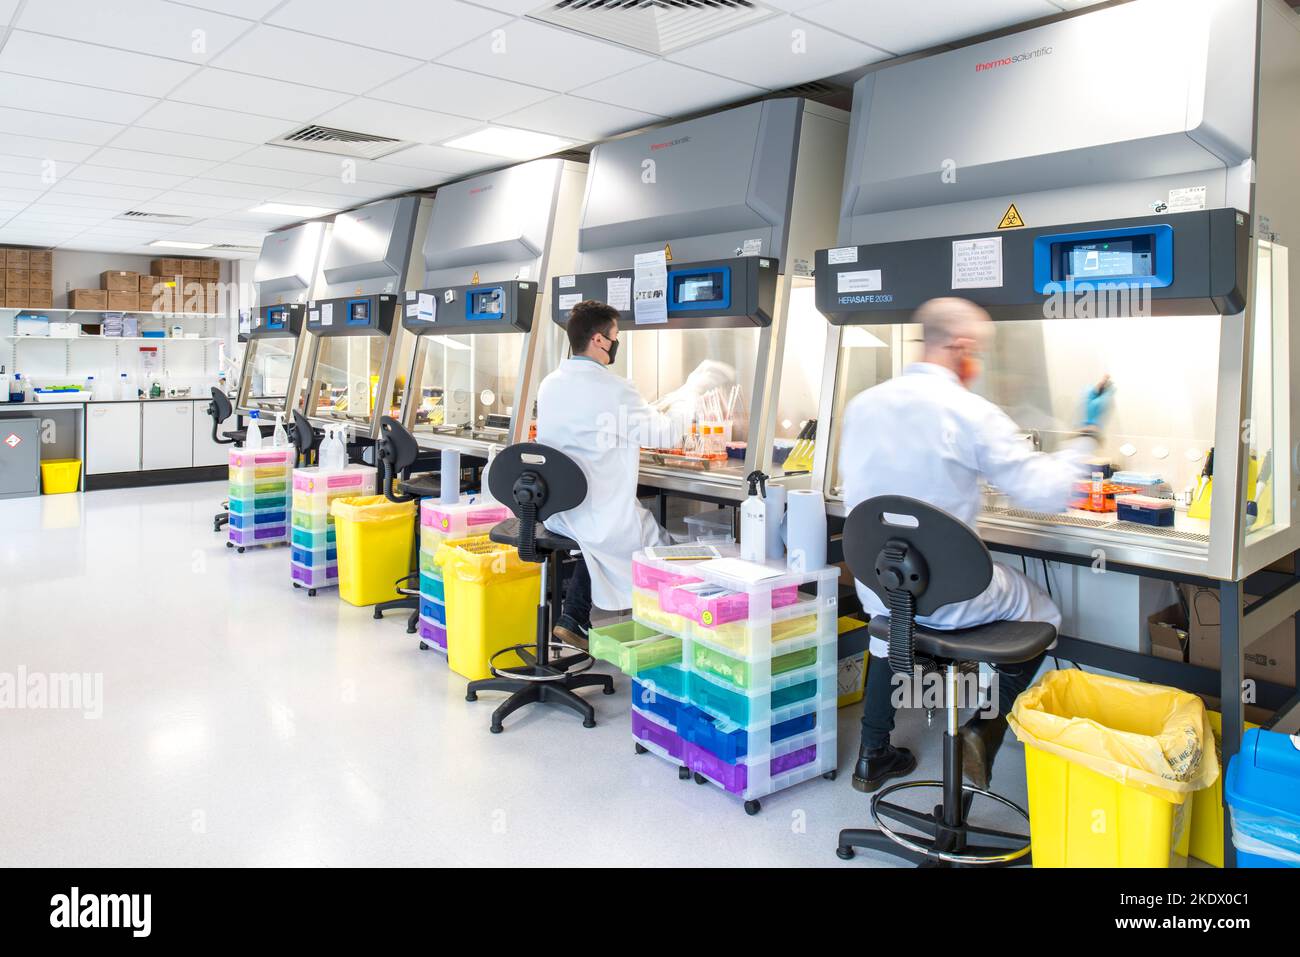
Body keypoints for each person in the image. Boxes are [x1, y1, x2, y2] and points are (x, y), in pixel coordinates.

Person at [838, 297, 1113, 794]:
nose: (977, 366)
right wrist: (1087, 435)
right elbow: (1046, 492)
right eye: (977, 354)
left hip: (880, 585)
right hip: (949, 601)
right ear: (960, 347)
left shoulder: (862, 405)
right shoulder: (970, 412)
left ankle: (871, 755)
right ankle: (983, 727)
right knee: (1044, 614)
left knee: (889, 621)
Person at [536, 300, 684, 649]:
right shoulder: (613, 388)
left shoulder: (551, 383)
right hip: (598, 513)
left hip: (556, 510)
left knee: (602, 539)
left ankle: (573, 616)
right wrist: (685, 402)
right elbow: (665, 435)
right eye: (615, 336)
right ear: (600, 341)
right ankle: (666, 643)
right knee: (663, 548)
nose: (617, 343)